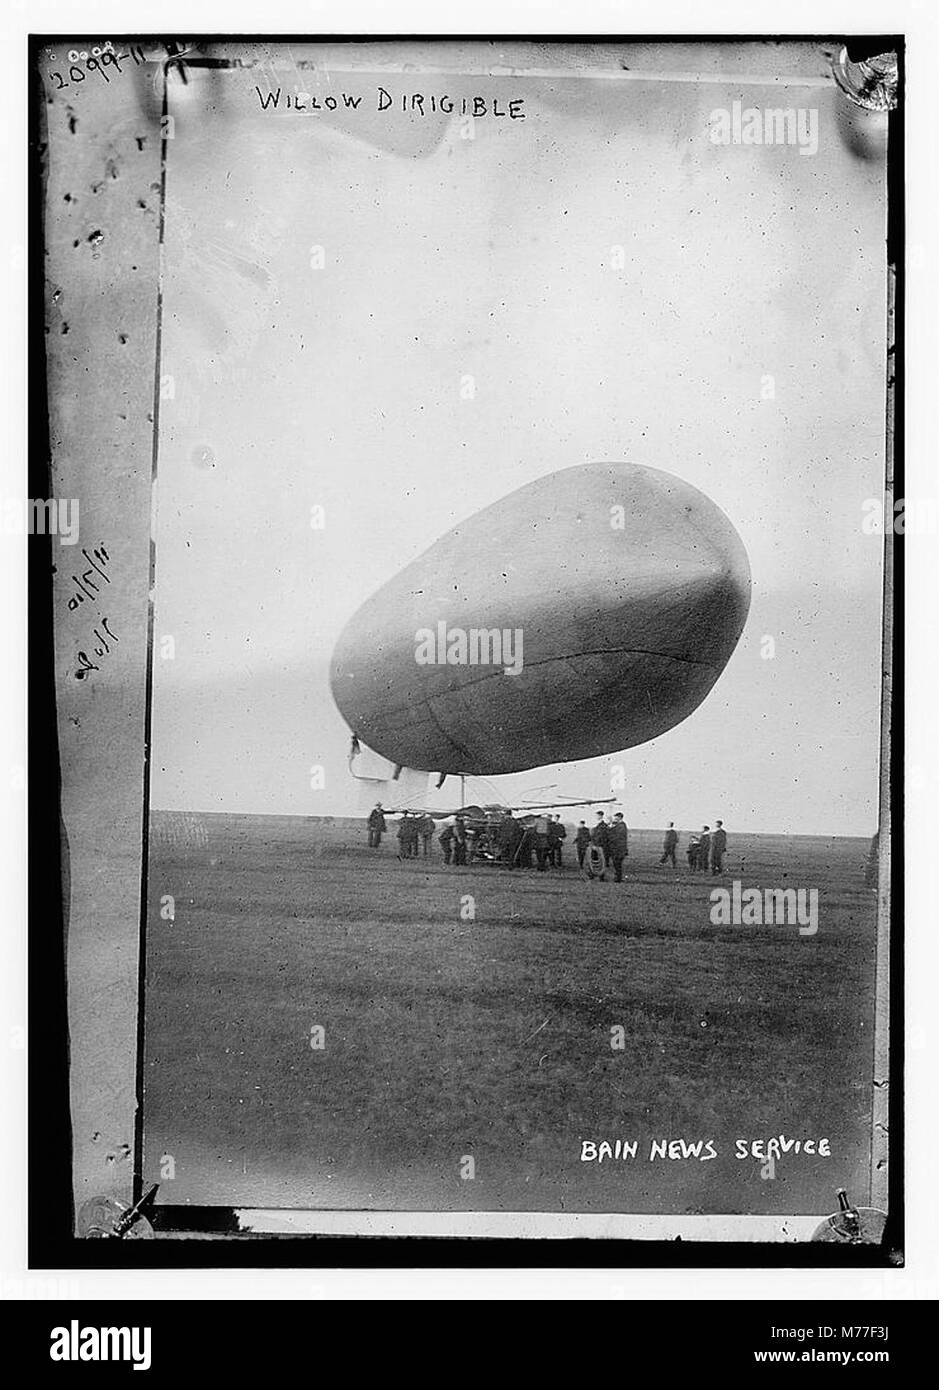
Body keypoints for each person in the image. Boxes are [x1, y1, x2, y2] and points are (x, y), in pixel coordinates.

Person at [608, 812, 629, 882]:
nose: (615, 819)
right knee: (616, 864)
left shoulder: (621, 826)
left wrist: (611, 827)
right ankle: (617, 877)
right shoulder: (619, 825)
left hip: (619, 849)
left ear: (619, 817)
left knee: (617, 864)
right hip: (618, 848)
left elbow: (616, 835)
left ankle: (618, 878)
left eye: (616, 817)